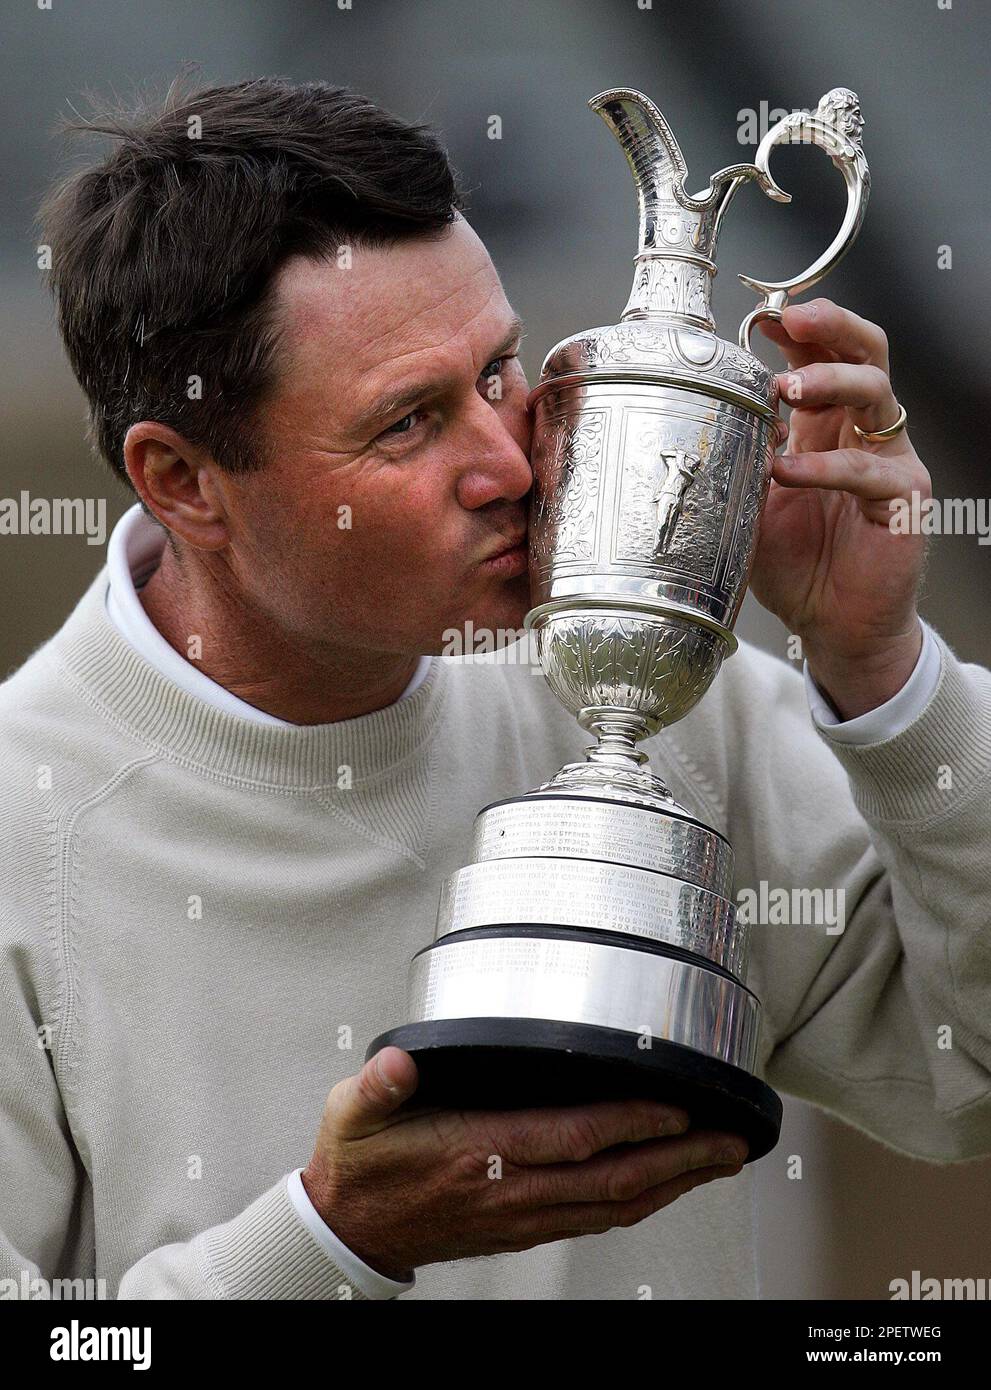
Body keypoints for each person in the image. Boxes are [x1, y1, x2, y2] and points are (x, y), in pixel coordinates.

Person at [1, 76, 988, 1302]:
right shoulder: (22, 827)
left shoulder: (673, 688)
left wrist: (884, 670)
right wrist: (335, 1241)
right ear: (185, 482)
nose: (514, 460)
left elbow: (973, 1083)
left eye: (499, 370)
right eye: (408, 423)